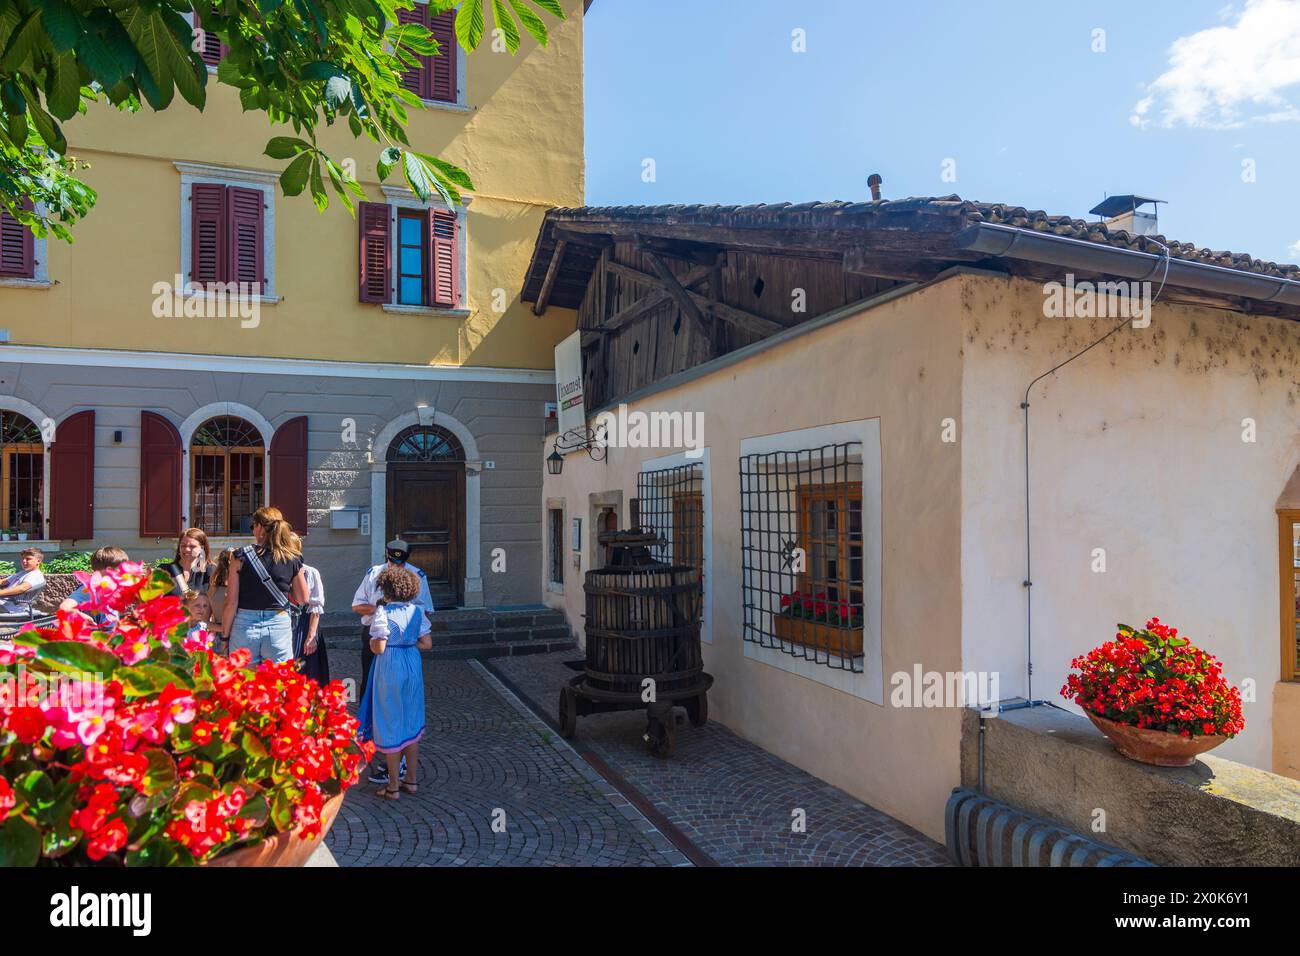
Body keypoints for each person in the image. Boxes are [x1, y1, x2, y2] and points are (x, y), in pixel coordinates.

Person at [351, 538, 432, 784]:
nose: (395, 564)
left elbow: (425, 609)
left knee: (392, 705)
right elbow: (357, 606)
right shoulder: (374, 573)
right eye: (392, 559)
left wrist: (390, 617)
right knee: (376, 695)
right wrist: (378, 609)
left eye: (400, 560)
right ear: (386, 555)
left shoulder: (417, 575)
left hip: (392, 646)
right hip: (391, 643)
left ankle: (394, 765)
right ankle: (381, 753)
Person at [223, 506, 309, 666]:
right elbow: (303, 598)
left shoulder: (240, 556)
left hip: (245, 624)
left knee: (243, 683)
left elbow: (231, 602)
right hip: (278, 623)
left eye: (252, 526)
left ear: (259, 527)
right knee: (278, 682)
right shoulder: (292, 557)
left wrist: (225, 637)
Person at [290, 533, 329, 683]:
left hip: (304, 625)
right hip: (285, 624)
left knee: (307, 672)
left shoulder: (310, 572)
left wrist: (311, 637)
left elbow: (316, 608)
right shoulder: (277, 570)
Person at [59, 546, 130, 626]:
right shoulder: (90, 589)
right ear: (110, 570)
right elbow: (64, 607)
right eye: (123, 569)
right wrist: (81, 616)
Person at [165, 528, 212, 596]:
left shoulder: (210, 571)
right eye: (183, 546)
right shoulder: (165, 570)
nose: (187, 549)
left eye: (192, 546)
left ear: (202, 548)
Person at [207, 548, 236, 653]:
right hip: (237, 634)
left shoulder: (214, 587)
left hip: (218, 634)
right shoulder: (240, 585)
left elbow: (204, 621)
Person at [0, 547, 45, 615]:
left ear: (38, 561)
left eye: (28, 559)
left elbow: (22, 588)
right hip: (5, 602)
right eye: (23, 559)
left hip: (12, 606)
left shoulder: (35, 575)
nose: (24, 561)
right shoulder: (23, 572)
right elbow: (3, 582)